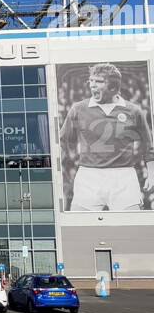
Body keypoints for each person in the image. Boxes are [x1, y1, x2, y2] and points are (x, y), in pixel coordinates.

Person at [59, 62, 154, 211]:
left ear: (113, 86)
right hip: (88, 175)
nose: (92, 85)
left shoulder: (133, 111)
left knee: (131, 227)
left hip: (123, 177)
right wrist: (59, 172)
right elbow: (62, 141)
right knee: (79, 229)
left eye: (99, 81)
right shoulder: (78, 109)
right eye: (91, 80)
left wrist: (152, 173)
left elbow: (148, 146)